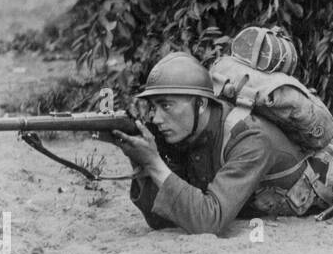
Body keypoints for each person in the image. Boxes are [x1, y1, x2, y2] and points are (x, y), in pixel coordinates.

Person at [108, 52, 319, 235]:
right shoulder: (190, 133)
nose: (156, 118)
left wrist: (154, 163)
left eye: (167, 106)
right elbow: (162, 220)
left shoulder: (250, 138)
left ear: (200, 104)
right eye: (154, 107)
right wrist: (140, 161)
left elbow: (209, 221)